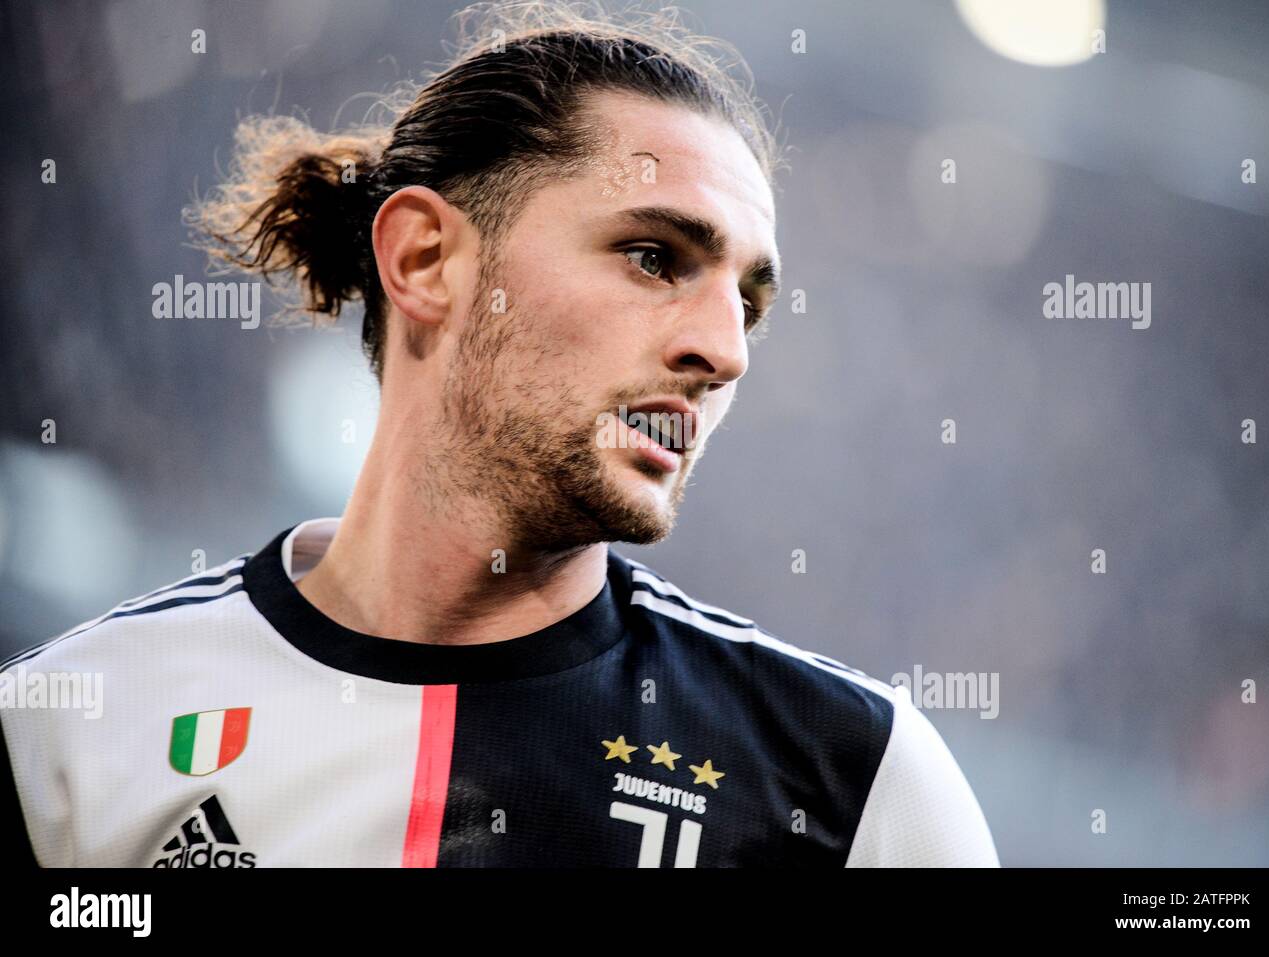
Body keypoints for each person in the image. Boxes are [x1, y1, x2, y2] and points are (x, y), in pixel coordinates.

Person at [0, 1, 998, 867]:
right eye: (654, 257)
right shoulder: (69, 733)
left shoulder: (852, 787)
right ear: (427, 258)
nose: (723, 351)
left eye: (748, 303)